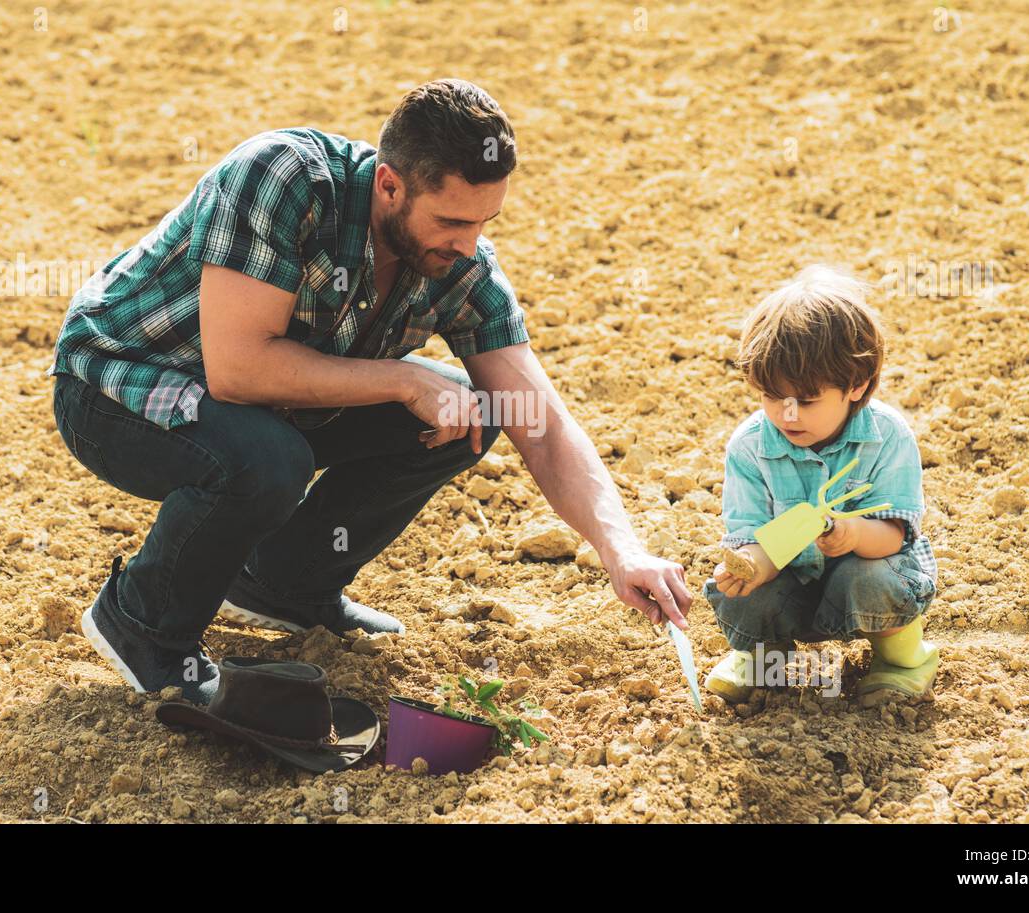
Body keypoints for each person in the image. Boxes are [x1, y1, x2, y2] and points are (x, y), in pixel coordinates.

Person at [48, 78, 692, 704]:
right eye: (450, 221)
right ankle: (144, 623)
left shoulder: (458, 263)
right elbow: (239, 369)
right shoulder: (283, 178)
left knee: (478, 409)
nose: (468, 246)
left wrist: (622, 550)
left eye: (484, 222)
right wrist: (405, 378)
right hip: (117, 387)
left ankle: (284, 585)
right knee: (271, 459)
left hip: (256, 408)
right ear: (390, 184)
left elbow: (540, 420)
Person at [703, 266, 940, 705]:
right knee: (735, 593)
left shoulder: (887, 437)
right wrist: (749, 566)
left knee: (877, 578)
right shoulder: (751, 447)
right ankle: (763, 659)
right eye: (774, 398)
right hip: (792, 581)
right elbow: (752, 537)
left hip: (863, 577)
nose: (788, 415)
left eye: (806, 401)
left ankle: (904, 659)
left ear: (857, 385)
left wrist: (851, 534)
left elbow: (895, 535)